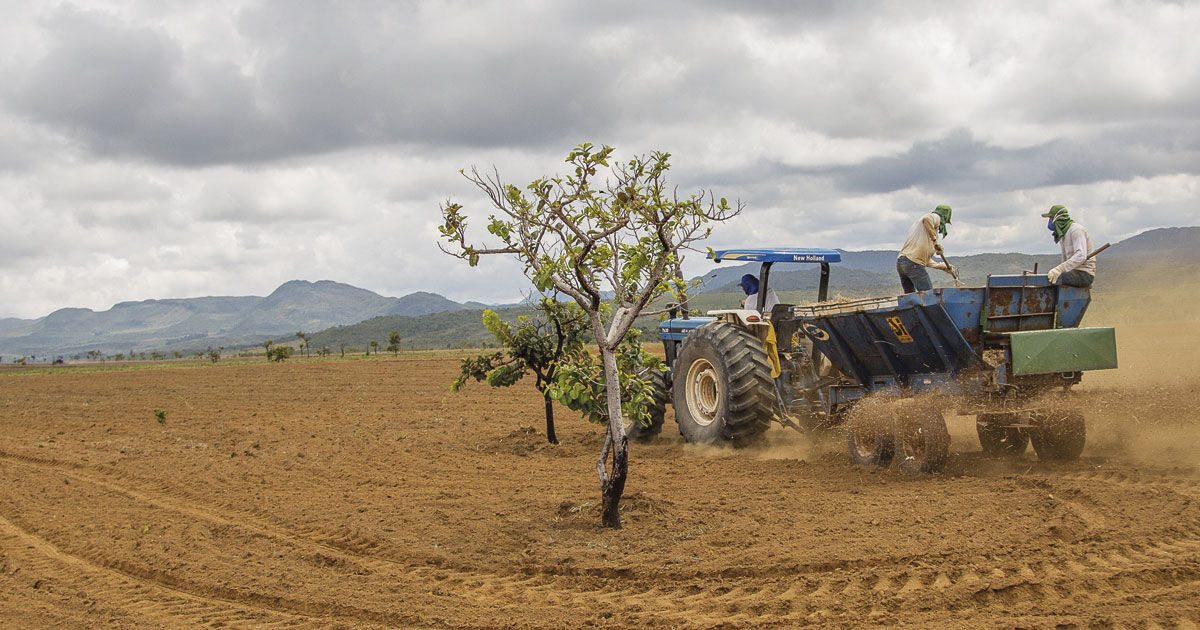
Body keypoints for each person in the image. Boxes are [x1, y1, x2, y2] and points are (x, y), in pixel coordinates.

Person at [896, 204, 957, 293]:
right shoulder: (936, 217)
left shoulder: (922, 232)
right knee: (929, 296)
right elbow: (927, 219)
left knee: (910, 299)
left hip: (902, 263)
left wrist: (943, 266)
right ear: (945, 216)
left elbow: (924, 260)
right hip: (913, 264)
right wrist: (935, 242)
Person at [1042, 205, 1096, 287]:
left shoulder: (1076, 230)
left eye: (1051, 218)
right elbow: (1065, 258)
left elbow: (1081, 256)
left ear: (1059, 218)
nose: (1050, 222)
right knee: (1051, 277)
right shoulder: (1063, 234)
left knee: (1055, 278)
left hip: (1084, 273)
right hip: (1073, 271)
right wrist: (1060, 270)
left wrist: (1059, 269)